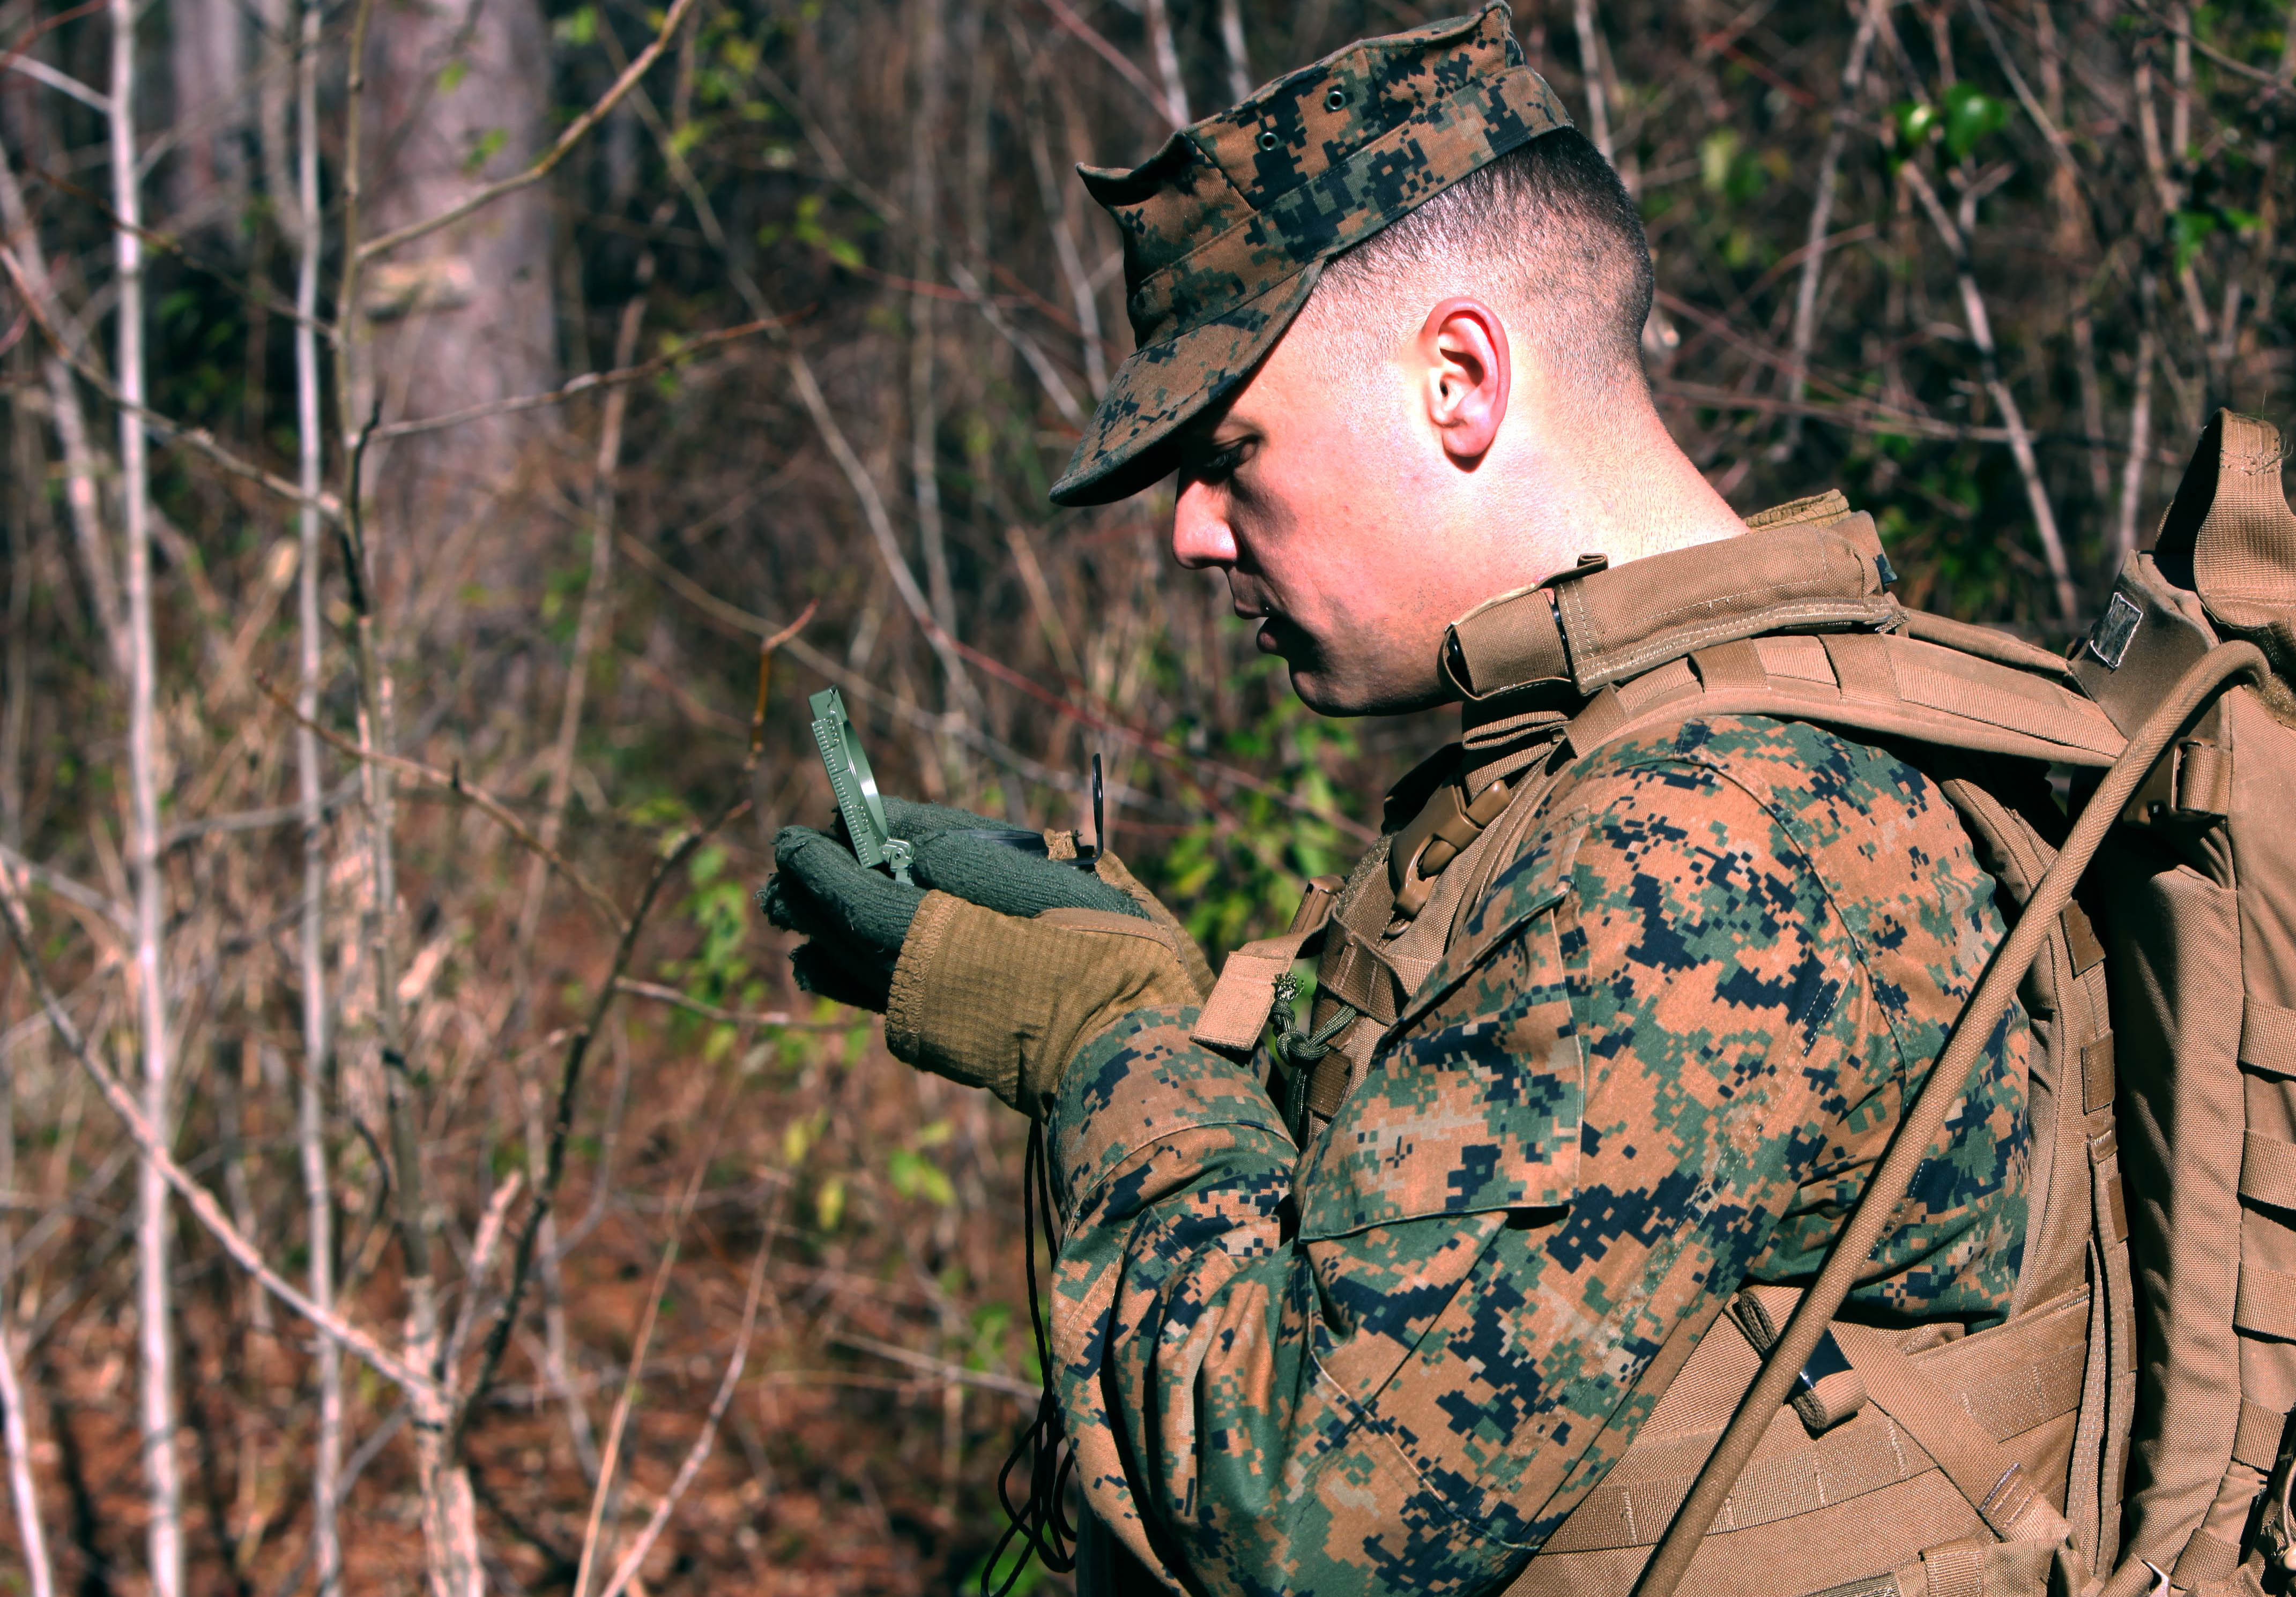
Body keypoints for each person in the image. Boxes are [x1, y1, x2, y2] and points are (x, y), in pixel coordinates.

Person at [763, 9, 2105, 1594]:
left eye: (1229, 447)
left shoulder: (1703, 844)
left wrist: (1102, 1033)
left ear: (1457, 377)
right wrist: (1153, 986)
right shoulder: (1663, 751)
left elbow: (1297, 1504)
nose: (1194, 531)